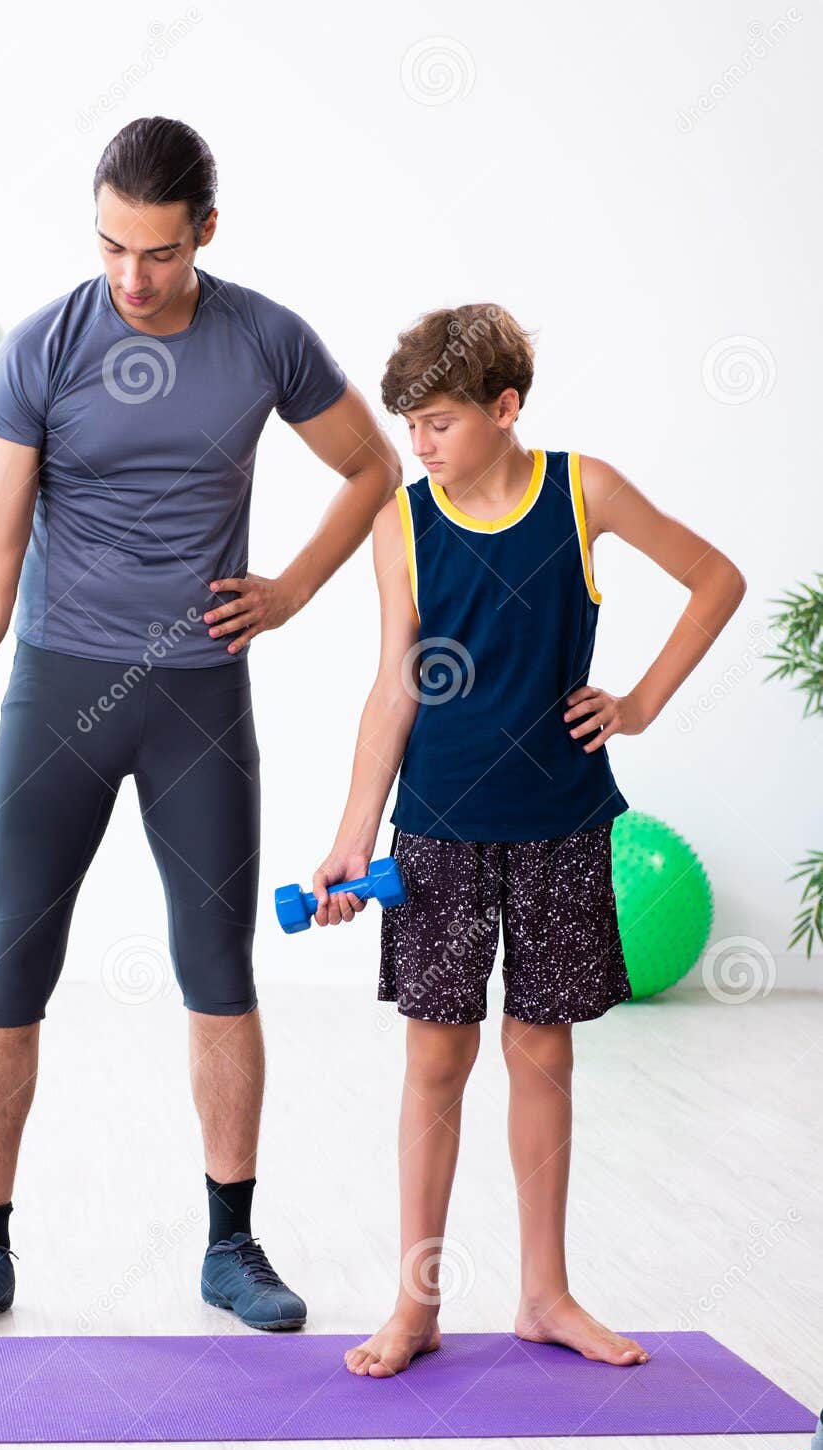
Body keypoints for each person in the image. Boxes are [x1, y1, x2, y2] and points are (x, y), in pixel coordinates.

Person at [0, 116, 400, 1338]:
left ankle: (231, 1246)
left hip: (198, 699)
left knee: (219, 973)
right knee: (10, 968)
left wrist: (287, 591)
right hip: (58, 693)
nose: (134, 276)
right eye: (115, 246)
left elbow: (374, 468)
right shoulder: (44, 349)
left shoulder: (264, 338)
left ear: (206, 234)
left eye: (160, 252)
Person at [311, 302, 745, 1377]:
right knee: (435, 1060)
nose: (421, 446)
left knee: (542, 1051)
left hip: (561, 826)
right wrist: (350, 837)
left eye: (442, 424)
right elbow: (392, 689)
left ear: (507, 410)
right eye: (411, 426)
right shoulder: (402, 524)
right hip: (437, 836)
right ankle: (415, 1304)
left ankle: (544, 1295)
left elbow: (716, 579)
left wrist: (638, 703)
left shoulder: (582, 491)